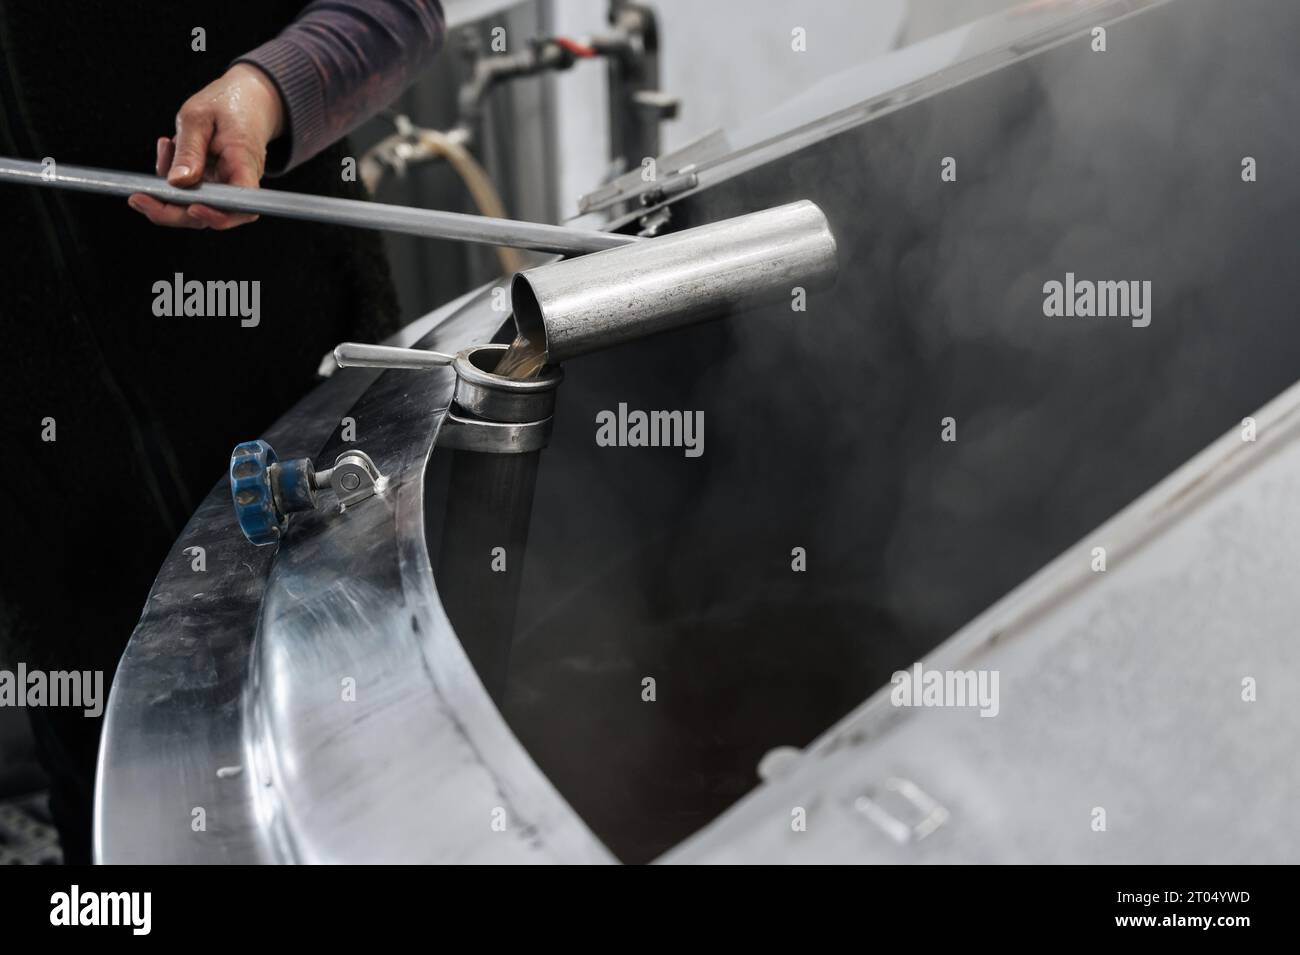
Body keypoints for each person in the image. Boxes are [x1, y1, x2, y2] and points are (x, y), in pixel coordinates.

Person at [0, 0, 446, 863]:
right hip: (60, 549)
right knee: (123, 843)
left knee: (382, 803)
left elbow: (402, 11)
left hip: (313, 444)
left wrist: (267, 89)